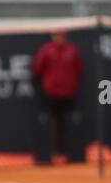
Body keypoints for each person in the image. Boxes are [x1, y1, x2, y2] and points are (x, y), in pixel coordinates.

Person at [32, 30, 83, 163]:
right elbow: (37, 69)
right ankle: (52, 155)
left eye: (61, 35)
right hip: (51, 94)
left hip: (69, 94)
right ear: (52, 36)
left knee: (69, 124)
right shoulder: (46, 50)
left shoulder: (72, 51)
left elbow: (79, 69)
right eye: (56, 35)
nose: (59, 38)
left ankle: (70, 155)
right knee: (53, 124)